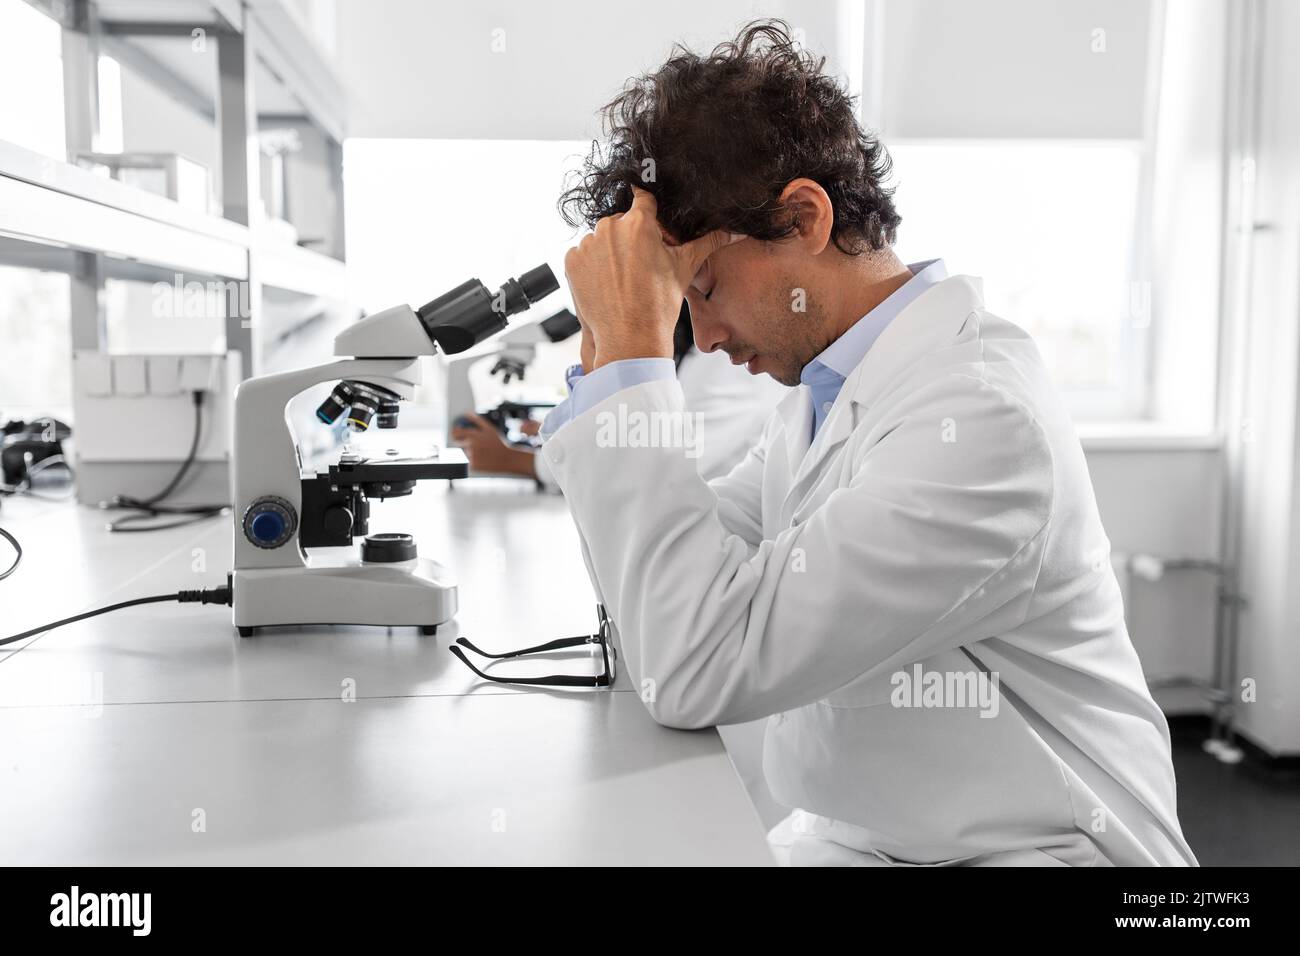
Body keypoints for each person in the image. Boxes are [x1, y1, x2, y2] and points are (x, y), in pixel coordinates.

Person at [536, 20, 1197, 866]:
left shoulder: (983, 419)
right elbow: (657, 609)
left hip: (1043, 848)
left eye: (700, 288)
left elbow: (694, 667)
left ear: (804, 217)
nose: (696, 336)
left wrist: (633, 351)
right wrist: (607, 350)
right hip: (886, 840)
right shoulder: (822, 399)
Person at [451, 306, 784, 485]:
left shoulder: (726, 359)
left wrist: (515, 461)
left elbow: (661, 468)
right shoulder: (691, 344)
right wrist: (562, 435)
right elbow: (644, 428)